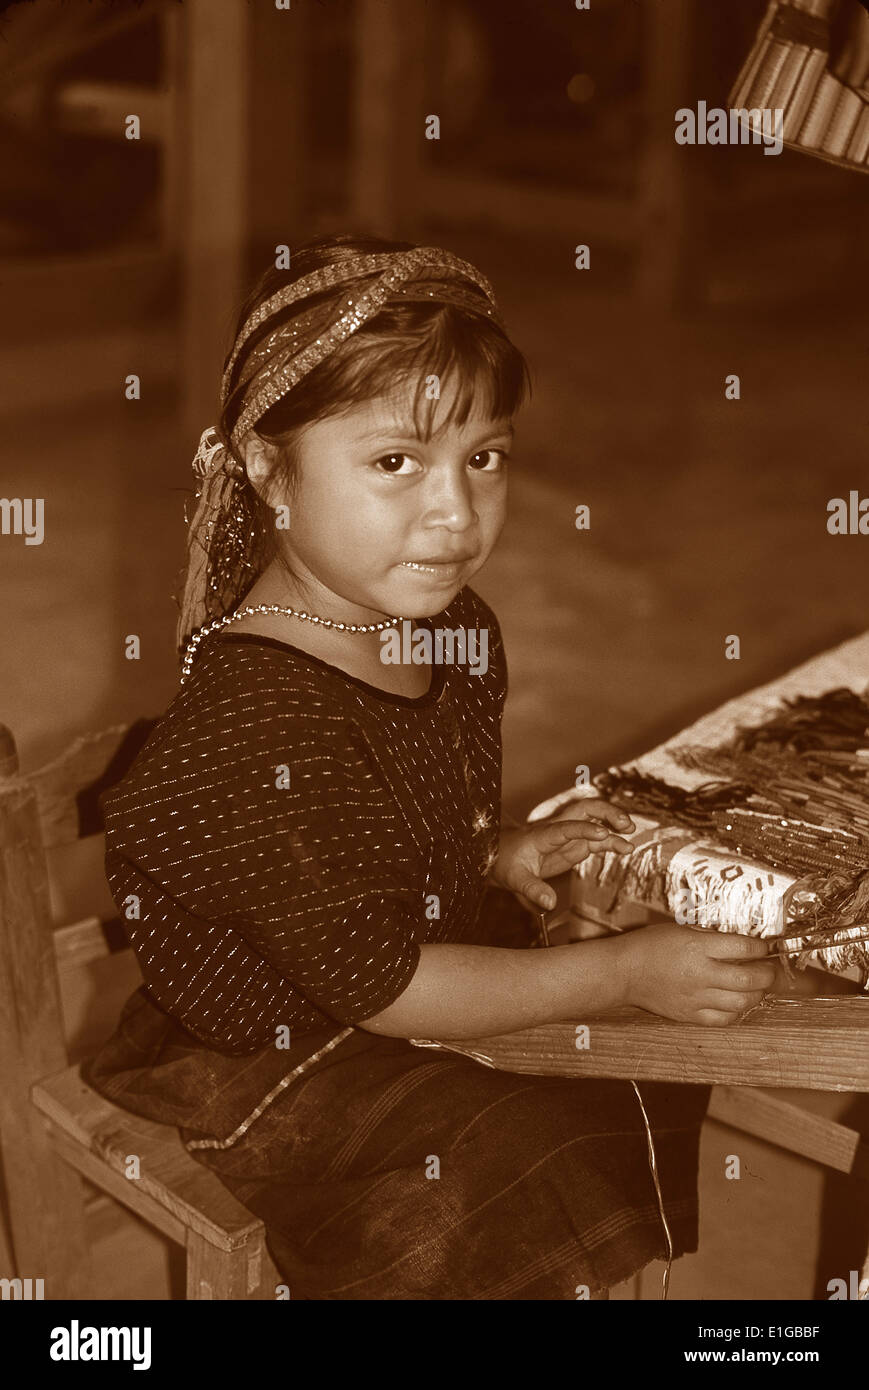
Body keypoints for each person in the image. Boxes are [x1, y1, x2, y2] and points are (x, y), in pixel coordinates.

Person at [84, 233, 777, 1300]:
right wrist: (618, 972)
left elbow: (397, 818)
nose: (454, 515)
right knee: (504, 1153)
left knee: (639, 1058)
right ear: (267, 470)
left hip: (405, 943)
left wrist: (491, 851)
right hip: (280, 1047)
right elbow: (386, 985)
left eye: (482, 456)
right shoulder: (254, 725)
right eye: (394, 463)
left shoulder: (451, 630)